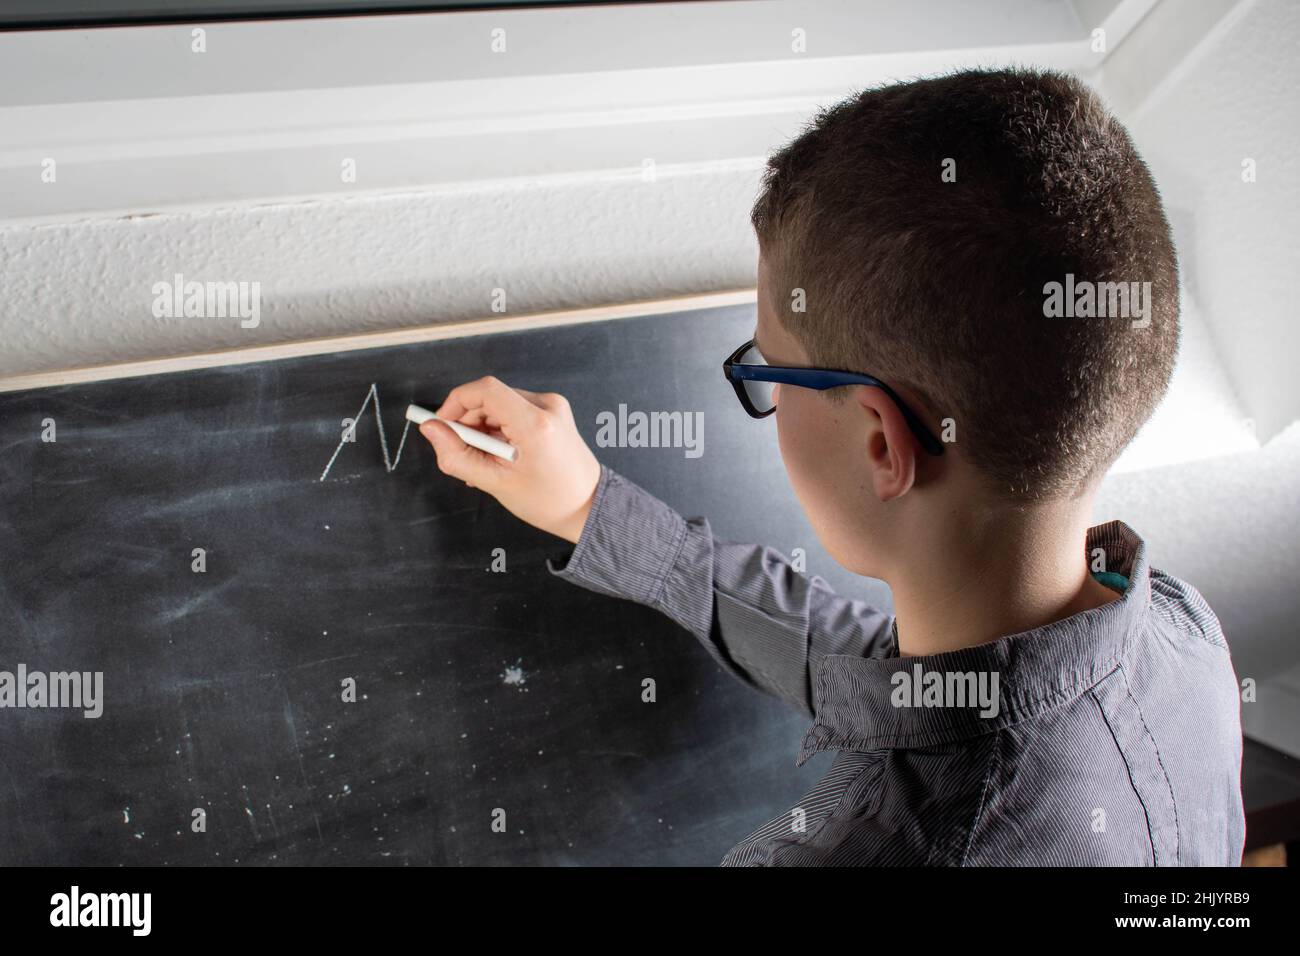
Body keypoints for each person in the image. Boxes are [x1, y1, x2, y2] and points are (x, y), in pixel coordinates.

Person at [416, 68, 1245, 866]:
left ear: (881, 442)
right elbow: (883, 675)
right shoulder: (1178, 632)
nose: (767, 395)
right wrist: (592, 509)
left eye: (769, 372)